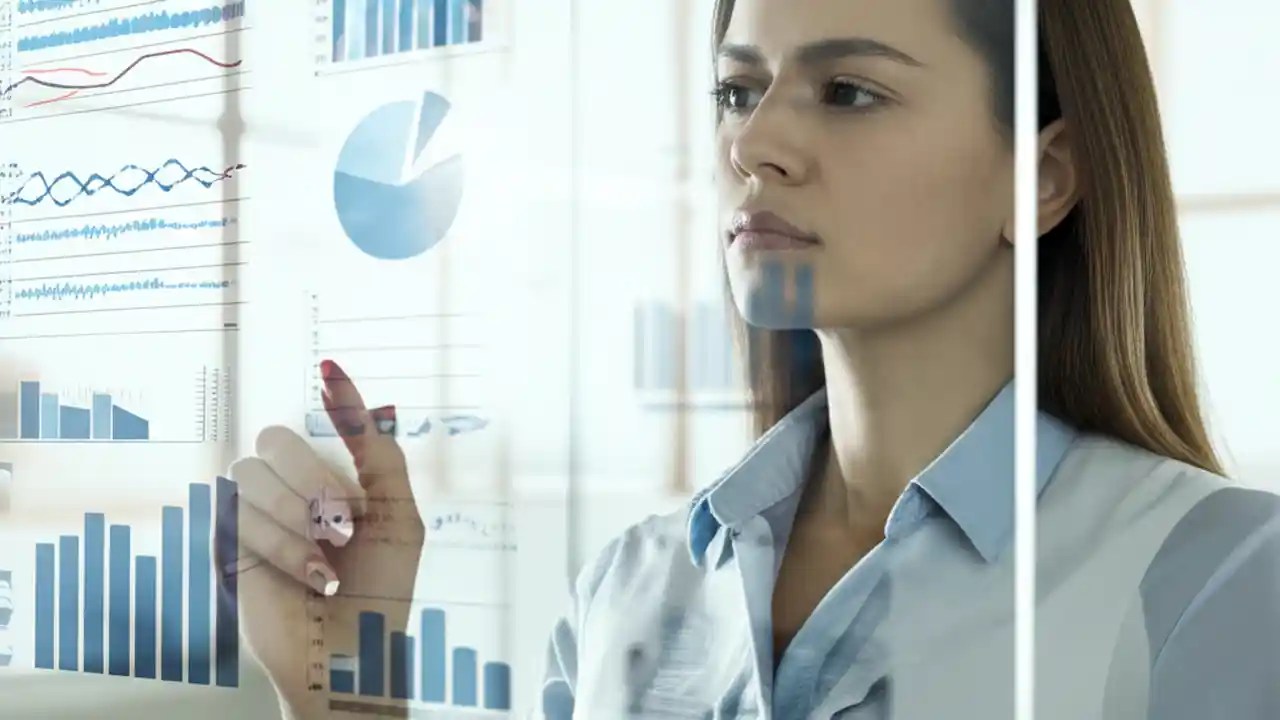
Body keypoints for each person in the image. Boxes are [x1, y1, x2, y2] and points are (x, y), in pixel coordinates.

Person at [226, 0, 1280, 718]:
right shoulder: (625, 591)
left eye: (848, 92)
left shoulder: (1220, 580)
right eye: (738, 91)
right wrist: (348, 692)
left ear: (1040, 178)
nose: (751, 145)